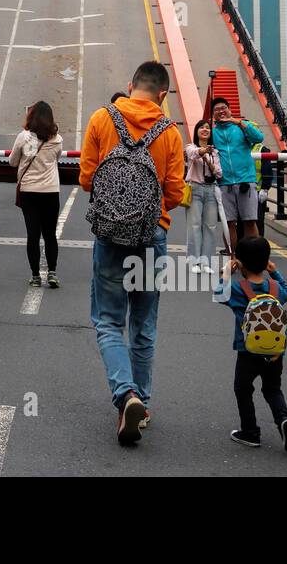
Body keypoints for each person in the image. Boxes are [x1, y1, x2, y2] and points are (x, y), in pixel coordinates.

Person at [79, 61, 185, 446]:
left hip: (109, 235)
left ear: (129, 85)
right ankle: (143, 400)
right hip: (151, 237)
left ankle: (126, 395)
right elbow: (174, 193)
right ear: (162, 95)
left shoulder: (102, 119)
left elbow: (87, 178)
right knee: (144, 324)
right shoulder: (170, 133)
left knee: (109, 321)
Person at [223, 235, 287, 451]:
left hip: (247, 351)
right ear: (266, 262)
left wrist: (227, 272)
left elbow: (219, 294)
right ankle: (284, 420)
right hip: (275, 352)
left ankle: (250, 431)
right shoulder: (274, 288)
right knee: (273, 389)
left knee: (243, 388)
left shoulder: (238, 289)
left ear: (240, 263)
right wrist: (274, 271)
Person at [10, 101, 65, 288]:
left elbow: (12, 161)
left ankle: (35, 275)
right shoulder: (57, 139)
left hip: (29, 191)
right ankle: (53, 272)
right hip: (50, 190)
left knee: (32, 235)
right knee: (50, 234)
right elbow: (56, 159)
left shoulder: (24, 138)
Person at [210, 97, 264, 252]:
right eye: (217, 110)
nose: (221, 111)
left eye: (223, 108)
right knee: (229, 223)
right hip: (224, 183)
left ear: (229, 109)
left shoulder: (241, 128)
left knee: (250, 222)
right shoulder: (213, 133)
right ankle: (233, 258)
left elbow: (259, 138)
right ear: (213, 115)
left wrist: (239, 122)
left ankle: (253, 258)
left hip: (245, 181)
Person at [184, 119, 223, 273]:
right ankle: (194, 261)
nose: (205, 130)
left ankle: (206, 262)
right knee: (194, 225)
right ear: (197, 131)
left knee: (211, 226)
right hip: (195, 188)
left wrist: (211, 163)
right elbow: (193, 155)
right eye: (201, 127)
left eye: (207, 128)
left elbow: (219, 173)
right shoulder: (190, 147)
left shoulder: (215, 152)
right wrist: (203, 152)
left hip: (211, 189)